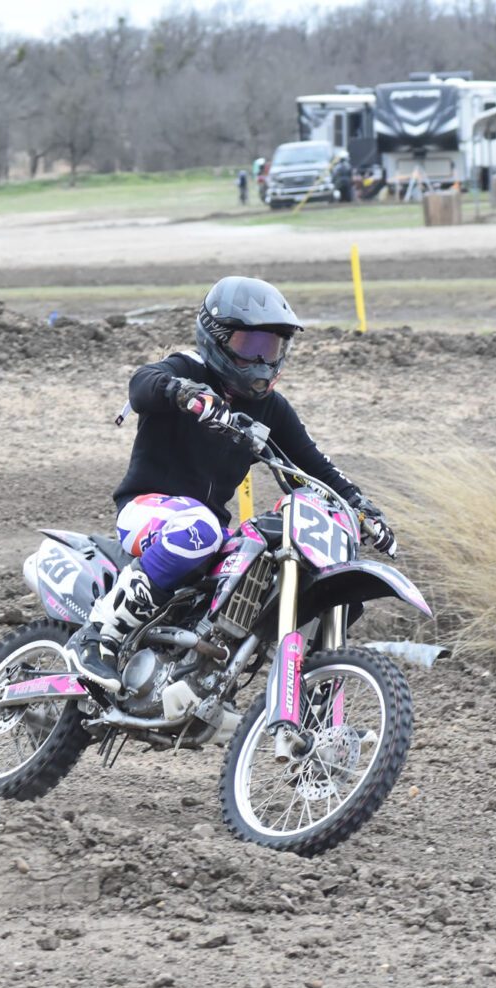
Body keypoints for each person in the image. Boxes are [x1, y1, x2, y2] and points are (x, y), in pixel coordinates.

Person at [66, 276, 397, 693]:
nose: (261, 360)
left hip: (207, 531)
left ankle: (269, 684)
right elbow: (142, 383)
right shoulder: (186, 369)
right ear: (216, 338)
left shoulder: (271, 408)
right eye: (249, 346)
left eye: (270, 348)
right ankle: (99, 636)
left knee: (261, 556)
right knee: (200, 526)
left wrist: (361, 507)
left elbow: (315, 467)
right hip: (146, 510)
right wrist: (185, 393)